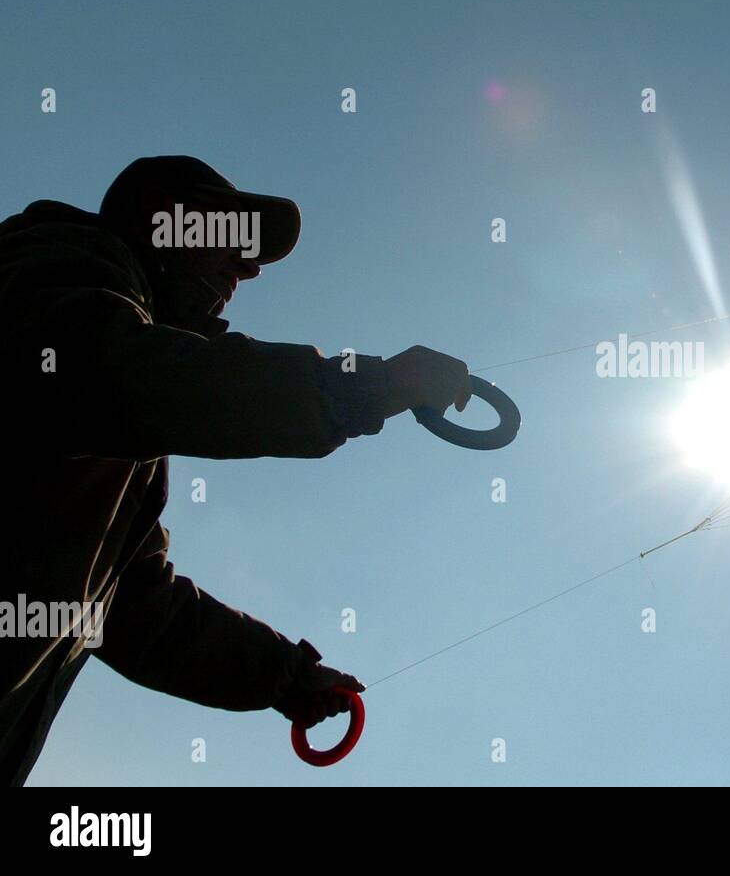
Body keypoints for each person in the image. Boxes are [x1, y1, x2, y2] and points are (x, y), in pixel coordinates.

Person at [0, 156, 472, 785]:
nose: (249, 267)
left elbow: (140, 610)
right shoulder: (54, 264)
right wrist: (365, 386)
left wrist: (287, 678)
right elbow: (115, 374)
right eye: (233, 236)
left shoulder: (123, 451)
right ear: (159, 221)